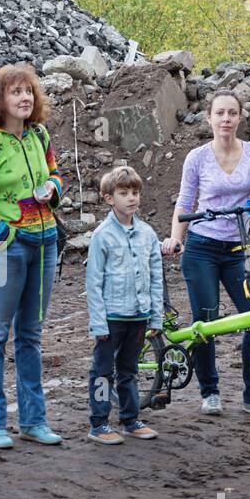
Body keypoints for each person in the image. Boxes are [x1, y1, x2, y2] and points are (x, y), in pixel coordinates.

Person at [160, 88, 250, 415]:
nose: (226, 118)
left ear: (239, 117)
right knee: (206, 320)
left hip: (241, 248)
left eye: (232, 113)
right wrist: (175, 238)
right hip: (201, 249)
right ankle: (210, 391)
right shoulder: (196, 157)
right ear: (209, 118)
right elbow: (184, 202)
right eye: (219, 113)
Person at [0, 63, 64, 450]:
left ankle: (34, 421)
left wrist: (52, 189)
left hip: (47, 244)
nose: (25, 98)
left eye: (28, 92)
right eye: (15, 92)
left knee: (31, 336)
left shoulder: (39, 135)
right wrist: (4, 235)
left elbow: (56, 176)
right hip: (9, 249)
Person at [85, 166, 162, 444]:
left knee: (128, 370)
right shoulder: (102, 236)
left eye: (135, 193)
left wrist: (156, 317)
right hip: (111, 318)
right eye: (124, 193)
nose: (131, 198)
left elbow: (156, 279)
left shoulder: (148, 234)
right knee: (103, 372)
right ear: (109, 198)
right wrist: (98, 322)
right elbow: (93, 283)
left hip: (138, 316)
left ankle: (131, 419)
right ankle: (99, 423)